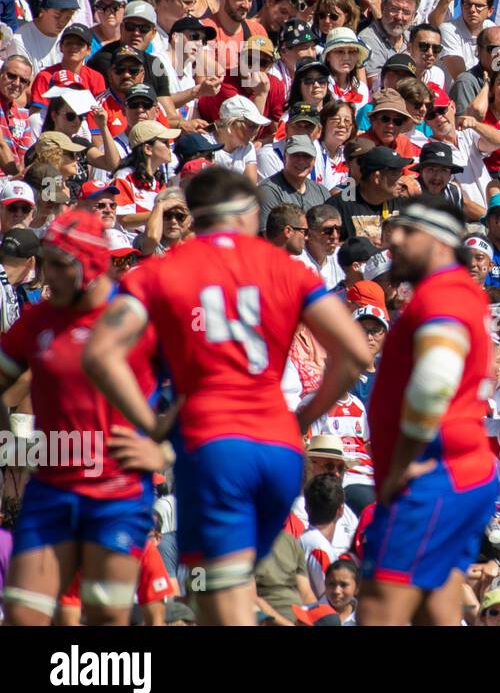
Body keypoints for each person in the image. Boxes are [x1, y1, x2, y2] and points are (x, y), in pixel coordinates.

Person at [82, 168, 370, 626]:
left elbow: (99, 352)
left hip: (214, 446)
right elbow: (355, 352)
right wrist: (303, 418)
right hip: (281, 450)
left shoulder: (164, 270)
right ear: (248, 212)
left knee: (221, 599)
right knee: (229, 586)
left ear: (196, 215)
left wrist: (154, 424)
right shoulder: (284, 267)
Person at [0, 210, 161, 626]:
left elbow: (199, 383)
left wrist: (165, 447)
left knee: (105, 612)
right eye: (46, 262)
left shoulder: (134, 317)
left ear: (89, 266)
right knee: (22, 612)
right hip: (51, 487)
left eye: (59, 264)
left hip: (116, 491)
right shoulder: (38, 320)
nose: (47, 276)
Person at [355, 194, 500, 625]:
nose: (393, 239)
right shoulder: (457, 292)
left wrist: (399, 465)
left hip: (435, 474)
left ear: (439, 242)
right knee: (433, 607)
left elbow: (436, 380)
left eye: (407, 230)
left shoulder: (444, 294)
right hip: (459, 471)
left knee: (380, 606)